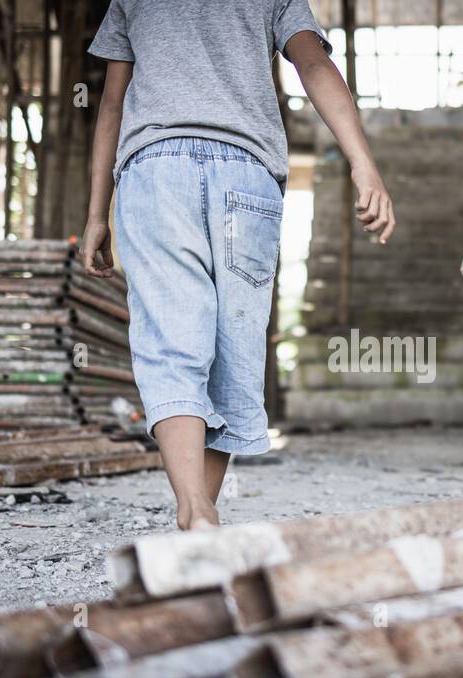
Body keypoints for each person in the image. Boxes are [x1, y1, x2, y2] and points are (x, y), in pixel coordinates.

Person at [81, 0, 395, 530]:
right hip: (245, 176)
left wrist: (96, 212)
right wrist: (364, 165)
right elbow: (314, 64)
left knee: (171, 344)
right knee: (234, 350)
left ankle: (194, 508)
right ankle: (202, 511)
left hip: (156, 171)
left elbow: (111, 103)